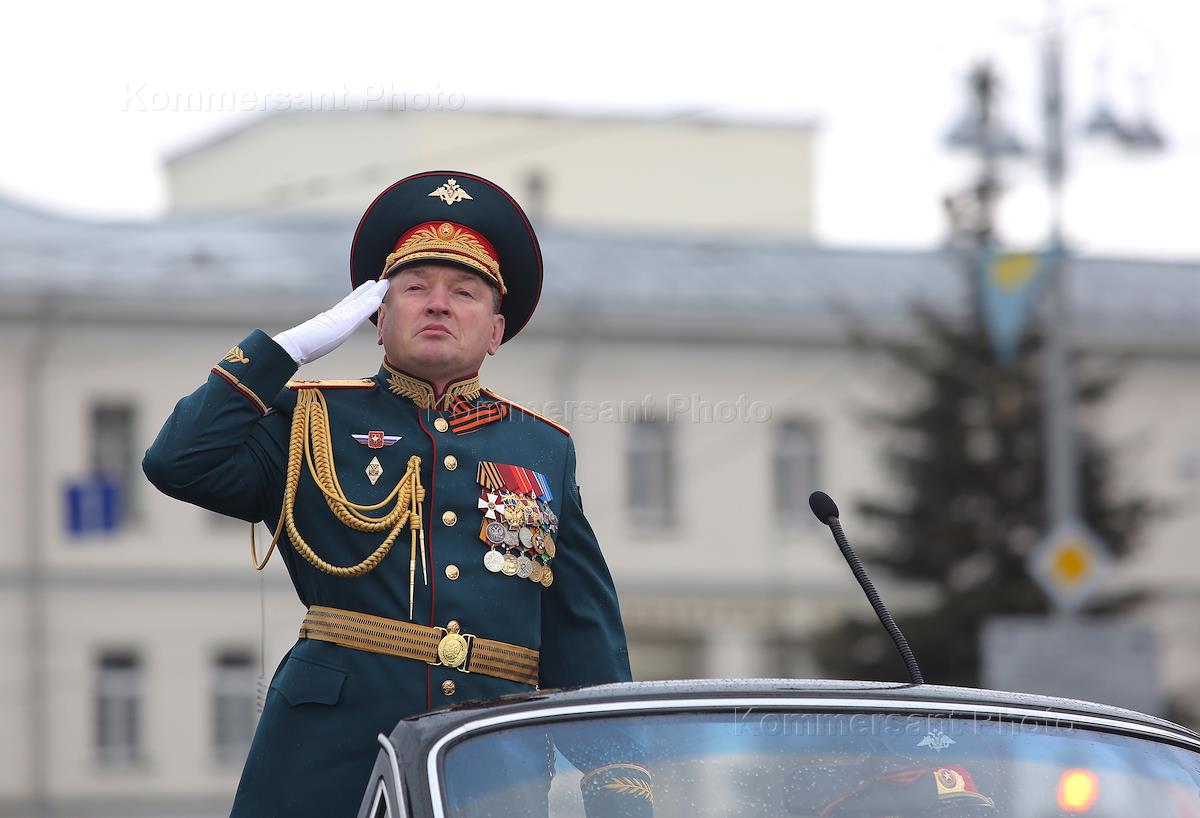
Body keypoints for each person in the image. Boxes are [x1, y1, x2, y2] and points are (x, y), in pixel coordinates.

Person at [142, 171, 652, 817]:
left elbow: (581, 628)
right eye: (414, 289)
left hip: (492, 755)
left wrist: (621, 787)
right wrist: (284, 351)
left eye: (464, 292)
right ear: (378, 320)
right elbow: (177, 462)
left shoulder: (541, 446)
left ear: (495, 331)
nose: (438, 304)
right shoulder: (310, 420)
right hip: (332, 751)